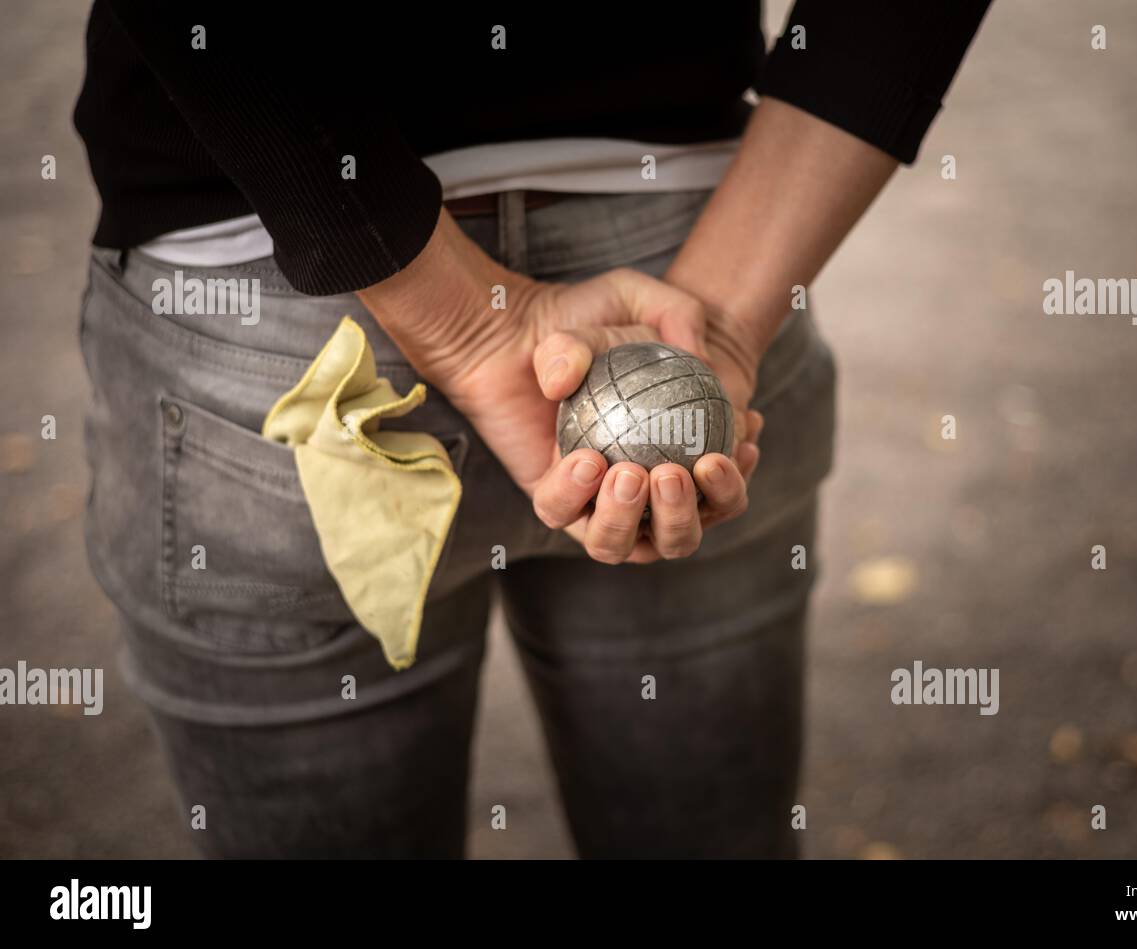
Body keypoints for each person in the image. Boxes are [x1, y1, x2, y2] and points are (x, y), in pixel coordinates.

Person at [73, 2, 990, 857]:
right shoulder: (706, 319)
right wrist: (723, 317)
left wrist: (469, 321)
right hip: (708, 264)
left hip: (278, 321)